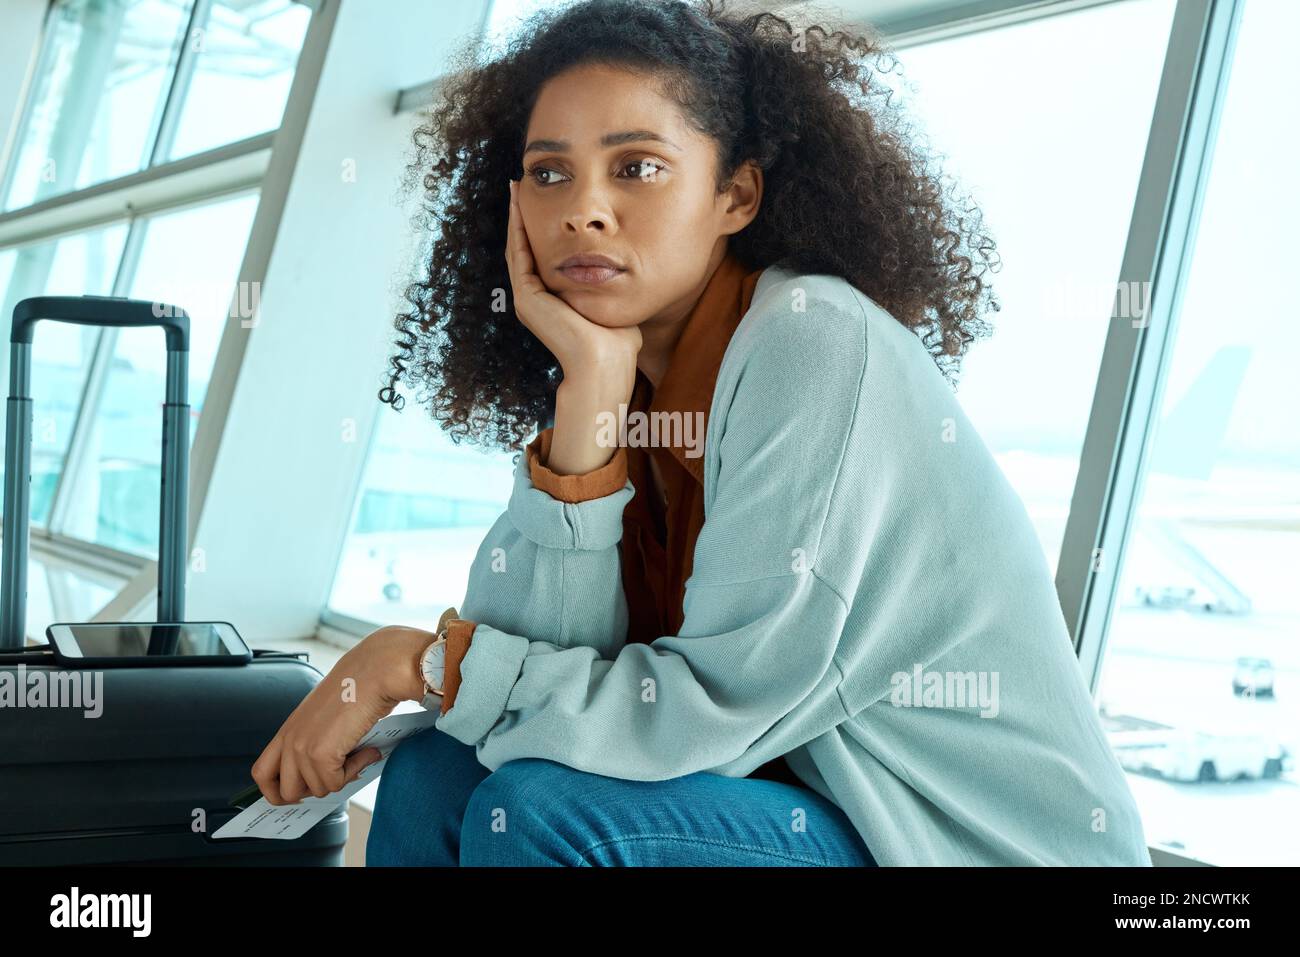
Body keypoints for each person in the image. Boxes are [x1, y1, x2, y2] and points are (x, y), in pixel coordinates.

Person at [252, 0, 1152, 867]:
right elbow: (553, 679)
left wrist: (416, 662)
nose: (583, 210)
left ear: (737, 193)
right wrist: (591, 406)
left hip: (946, 844)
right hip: (794, 799)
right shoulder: (620, 377)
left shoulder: (813, 338)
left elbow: (708, 712)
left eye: (636, 166)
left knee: (536, 817)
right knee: (432, 775)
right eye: (549, 172)